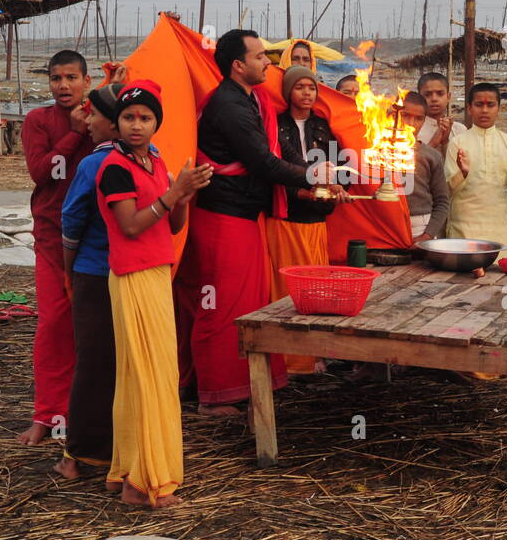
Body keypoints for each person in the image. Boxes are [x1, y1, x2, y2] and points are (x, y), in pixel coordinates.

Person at [173, 29, 333, 416]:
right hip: (222, 219)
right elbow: (261, 162)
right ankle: (213, 395)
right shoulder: (229, 105)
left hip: (243, 216)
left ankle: (240, 384)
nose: (269, 63)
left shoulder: (250, 99)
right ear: (238, 65)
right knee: (219, 306)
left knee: (245, 304)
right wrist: (311, 175)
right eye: (261, 56)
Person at [97, 80, 212, 507]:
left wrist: (185, 193)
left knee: (142, 377)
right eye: (129, 117)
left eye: (145, 118)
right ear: (118, 122)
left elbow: (174, 225)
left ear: (156, 123)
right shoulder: (114, 167)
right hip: (132, 275)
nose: (136, 125)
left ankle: (126, 472)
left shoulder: (156, 161)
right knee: (148, 379)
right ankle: (143, 484)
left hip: (156, 271)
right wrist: (172, 194)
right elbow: (130, 225)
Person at [19, 50, 94, 445]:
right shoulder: (38, 120)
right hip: (51, 236)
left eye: (71, 78)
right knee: (53, 326)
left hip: (96, 240)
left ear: (87, 81)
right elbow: (42, 172)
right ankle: (47, 415)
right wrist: (76, 134)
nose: (63, 85)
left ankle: (87, 415)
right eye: (55, 78)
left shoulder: (102, 116)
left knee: (93, 329)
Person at [55, 82, 123, 484]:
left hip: (96, 275)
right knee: (121, 364)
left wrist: (68, 270)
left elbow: (71, 224)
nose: (88, 121)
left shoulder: (93, 165)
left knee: (95, 364)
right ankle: (118, 450)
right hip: (134, 278)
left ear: (115, 123)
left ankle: (76, 456)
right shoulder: (151, 159)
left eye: (94, 114)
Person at [266, 65, 348, 375]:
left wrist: (339, 185)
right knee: (285, 288)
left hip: (316, 220)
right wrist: (299, 192)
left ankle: (313, 355)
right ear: (288, 92)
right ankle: (286, 360)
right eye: (300, 87)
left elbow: (338, 166)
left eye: (311, 87)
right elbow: (270, 168)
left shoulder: (323, 127)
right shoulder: (274, 125)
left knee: (315, 288)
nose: (307, 93)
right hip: (286, 217)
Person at [444, 82, 507, 258]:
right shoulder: (458, 143)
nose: (484, 110)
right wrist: (463, 173)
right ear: (469, 108)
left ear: (498, 108)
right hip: (463, 228)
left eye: (490, 105)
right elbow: (448, 190)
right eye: (479, 105)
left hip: (499, 228)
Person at [398, 92, 450, 242]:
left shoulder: (431, 156)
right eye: (405, 115)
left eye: (419, 118)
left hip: (420, 227)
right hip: (384, 226)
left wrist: (427, 235)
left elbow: (442, 201)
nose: (411, 123)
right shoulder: (376, 153)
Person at [417, 71, 467, 157]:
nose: (434, 99)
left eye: (440, 94)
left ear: (448, 97)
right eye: (427, 94)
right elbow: (412, 165)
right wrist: (434, 142)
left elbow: (462, 166)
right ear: (419, 97)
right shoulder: (413, 130)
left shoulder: (460, 130)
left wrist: (445, 142)